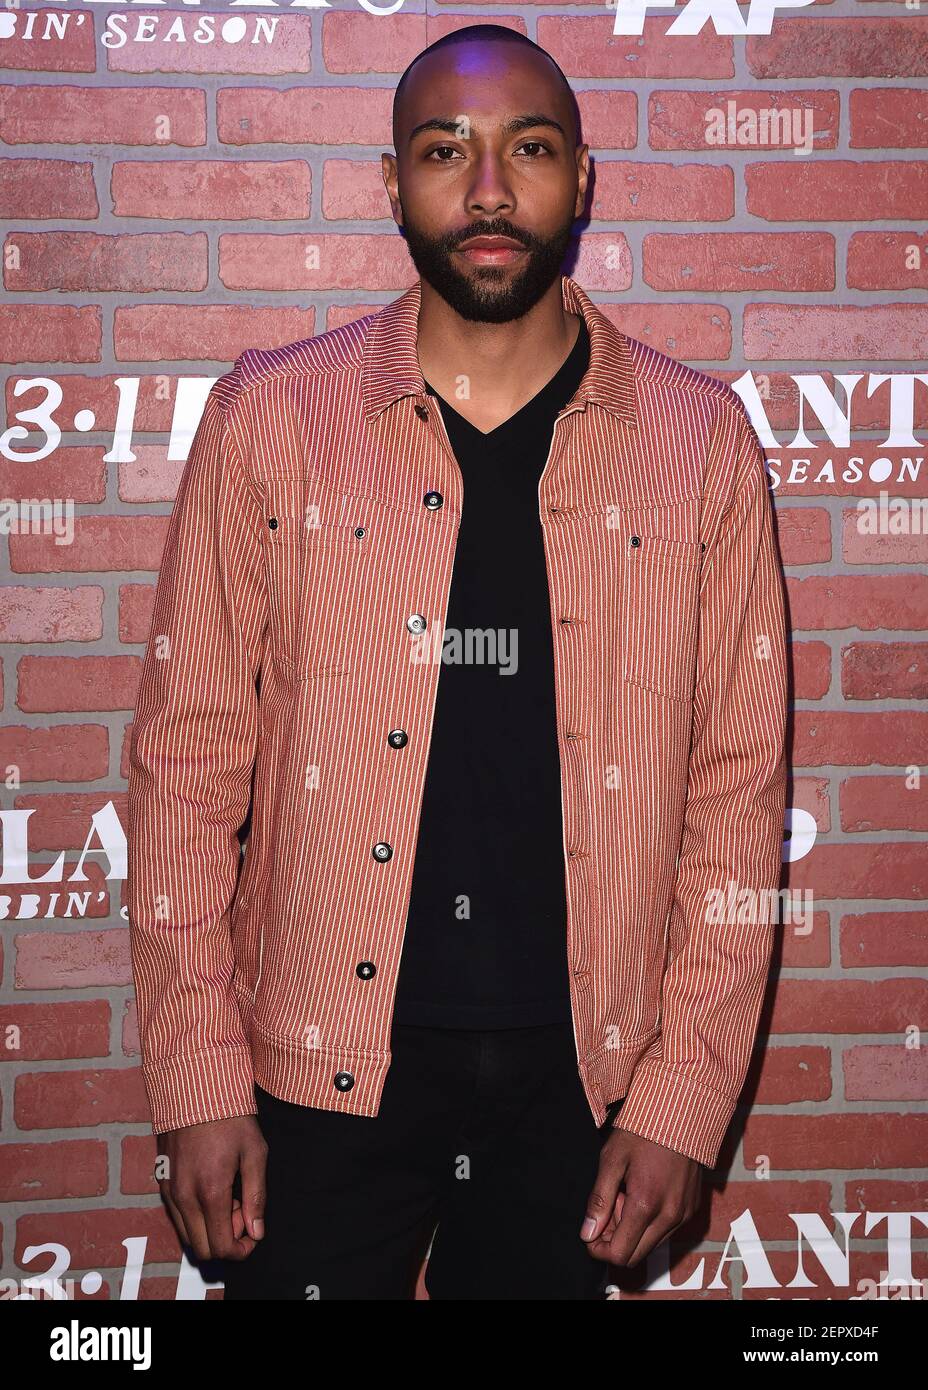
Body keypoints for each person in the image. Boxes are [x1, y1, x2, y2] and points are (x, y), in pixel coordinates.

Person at [126, 25, 788, 1300]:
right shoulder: (271, 419)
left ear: (582, 177)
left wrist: (686, 1094)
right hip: (312, 1073)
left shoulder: (700, 445)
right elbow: (187, 765)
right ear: (391, 182)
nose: (489, 190)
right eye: (446, 151)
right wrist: (197, 1077)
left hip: (585, 1086)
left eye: (528, 149)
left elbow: (736, 797)